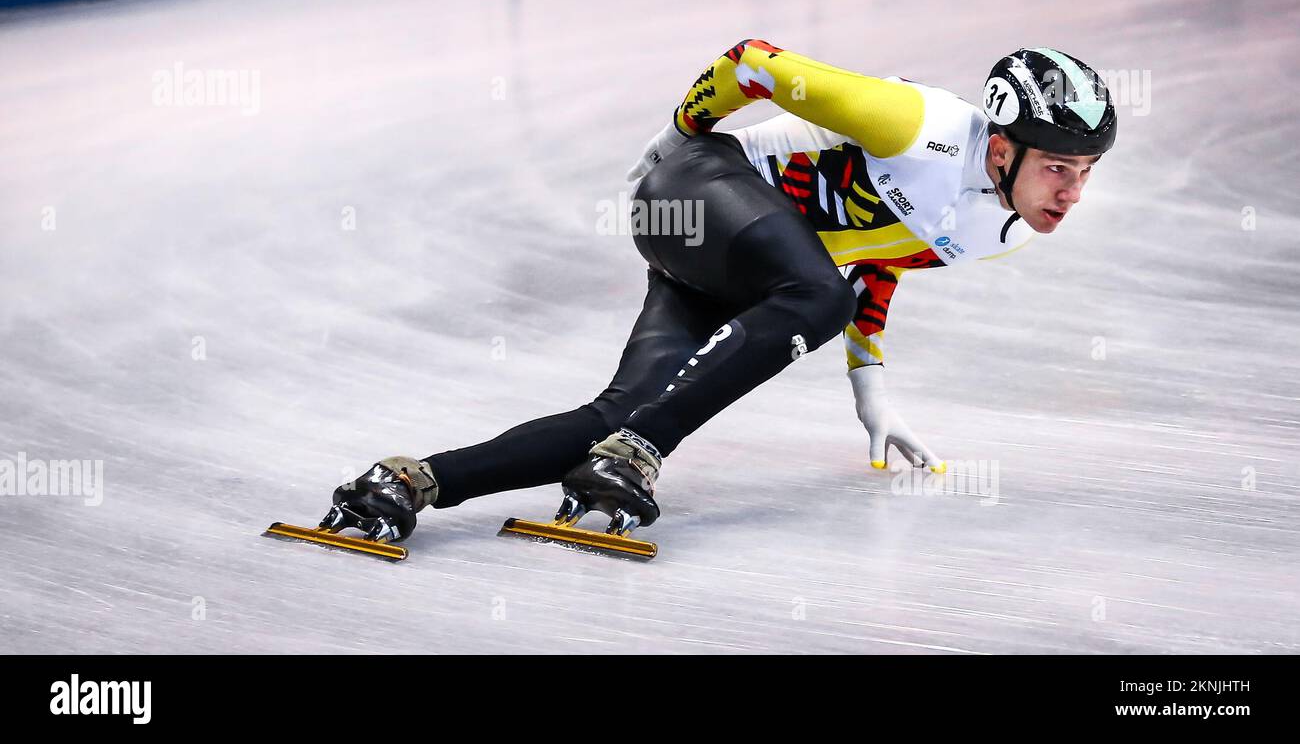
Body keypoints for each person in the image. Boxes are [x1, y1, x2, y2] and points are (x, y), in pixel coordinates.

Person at [318, 41, 1117, 547]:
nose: (1072, 193)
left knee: (613, 418)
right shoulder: (917, 124)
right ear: (1003, 148)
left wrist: (869, 385)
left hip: (739, 260)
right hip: (695, 190)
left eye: (1085, 174)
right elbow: (755, 63)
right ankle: (642, 454)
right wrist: (675, 136)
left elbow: (883, 260)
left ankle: (406, 483)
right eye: (1058, 169)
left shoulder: (1003, 224)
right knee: (815, 297)